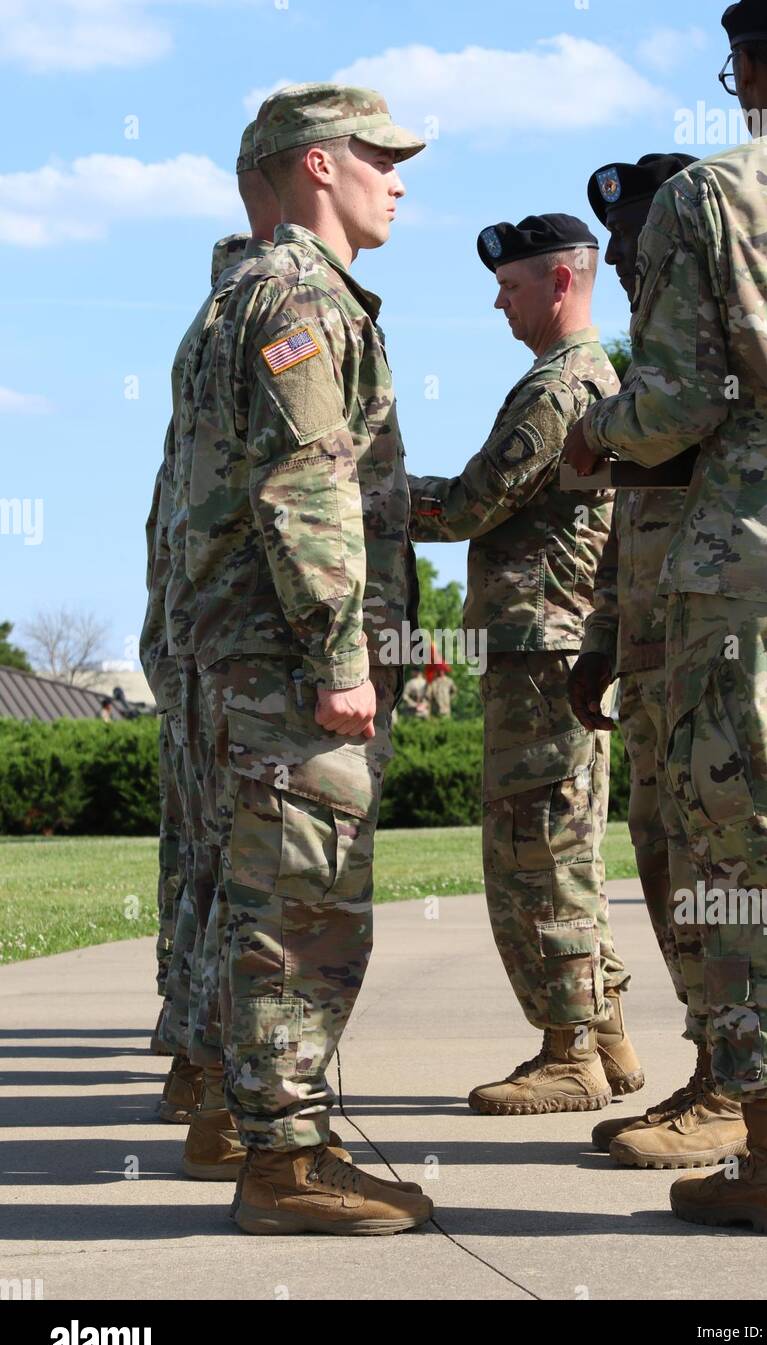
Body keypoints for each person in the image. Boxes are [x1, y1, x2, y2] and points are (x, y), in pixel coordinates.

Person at [563, 0, 767, 1239]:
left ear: (743, 69)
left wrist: (597, 438)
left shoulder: (711, 194)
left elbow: (677, 396)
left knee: (744, 861)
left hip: (747, 573)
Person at [187, 83, 433, 1234]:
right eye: (378, 154)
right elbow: (305, 486)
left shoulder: (258, 292)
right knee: (309, 908)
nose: (397, 176)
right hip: (290, 663)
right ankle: (284, 1163)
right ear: (315, 165)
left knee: (287, 897)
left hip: (258, 655)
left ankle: (278, 1138)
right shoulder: (293, 296)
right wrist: (344, 654)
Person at [409, 215, 642, 1116]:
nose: (496, 303)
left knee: (531, 851)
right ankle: (607, 1034)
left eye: (510, 287)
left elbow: (473, 503)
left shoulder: (560, 386)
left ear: (560, 283)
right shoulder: (584, 378)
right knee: (566, 846)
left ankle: (568, 1051)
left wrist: (365, 491)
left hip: (543, 646)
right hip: (555, 643)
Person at [572, 155, 749, 1170]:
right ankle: (709, 1070)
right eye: (624, 246)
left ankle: (734, 1090)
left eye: (646, 238)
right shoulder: (655, 358)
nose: (632, 258)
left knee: (719, 869)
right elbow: (626, 518)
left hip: (714, 652)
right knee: (661, 858)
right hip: (650, 657)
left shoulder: (724, 351)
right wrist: (602, 636)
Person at [140, 123, 279, 1127]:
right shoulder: (269, 323)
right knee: (239, 861)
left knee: (200, 855)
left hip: (193, 641)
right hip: (235, 646)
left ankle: (198, 1062)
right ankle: (219, 1085)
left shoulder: (198, 362)